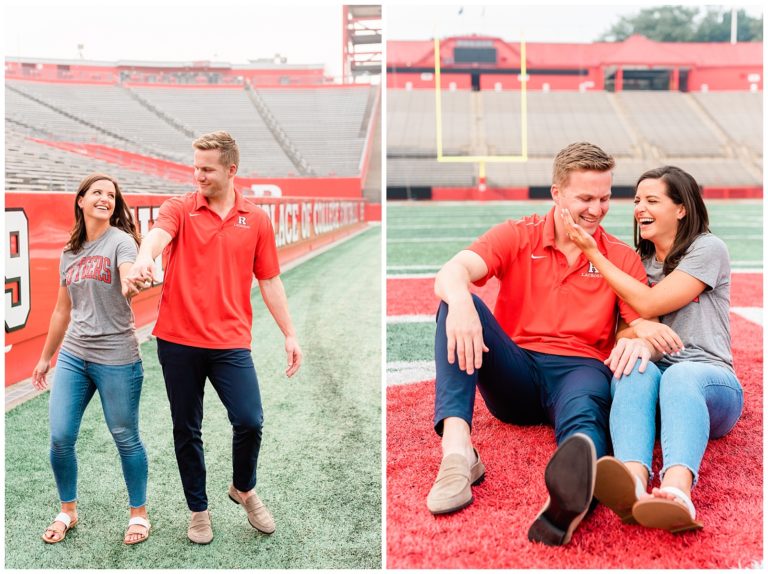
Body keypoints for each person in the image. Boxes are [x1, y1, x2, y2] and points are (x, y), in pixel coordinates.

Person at [427, 142, 649, 546]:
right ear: (556, 193)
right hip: (517, 371)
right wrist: (459, 300)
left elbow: (639, 324)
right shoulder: (518, 234)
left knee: (585, 418)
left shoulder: (620, 255)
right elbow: (453, 270)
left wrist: (635, 338)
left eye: (604, 198)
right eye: (585, 198)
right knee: (455, 303)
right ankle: (458, 455)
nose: (596, 209)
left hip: (580, 370)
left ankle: (575, 493)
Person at [124, 131, 302, 544]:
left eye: (207, 169)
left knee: (250, 419)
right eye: (195, 167)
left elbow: (270, 280)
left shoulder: (256, 219)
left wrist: (290, 334)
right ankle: (198, 510)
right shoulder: (180, 208)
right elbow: (157, 237)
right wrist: (145, 257)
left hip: (230, 342)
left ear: (231, 169)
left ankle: (243, 487)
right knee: (187, 428)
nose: (198, 175)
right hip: (178, 340)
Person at [562, 165, 743, 533]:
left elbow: (648, 302)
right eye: (637, 200)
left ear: (681, 208)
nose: (640, 208)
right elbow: (626, 329)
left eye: (652, 200)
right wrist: (636, 339)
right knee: (632, 367)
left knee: (678, 374)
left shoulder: (708, 249)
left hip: (711, 383)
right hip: (661, 390)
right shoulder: (637, 263)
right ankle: (632, 483)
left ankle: (677, 491)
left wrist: (595, 255)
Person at [31, 173, 150, 545]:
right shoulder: (69, 252)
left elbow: (128, 271)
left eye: (111, 195)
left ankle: (139, 515)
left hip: (117, 354)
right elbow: (61, 310)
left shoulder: (121, 242)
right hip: (74, 354)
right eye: (97, 192)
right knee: (60, 436)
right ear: (80, 200)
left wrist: (132, 281)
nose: (105, 198)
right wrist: (45, 357)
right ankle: (67, 510)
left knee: (125, 436)